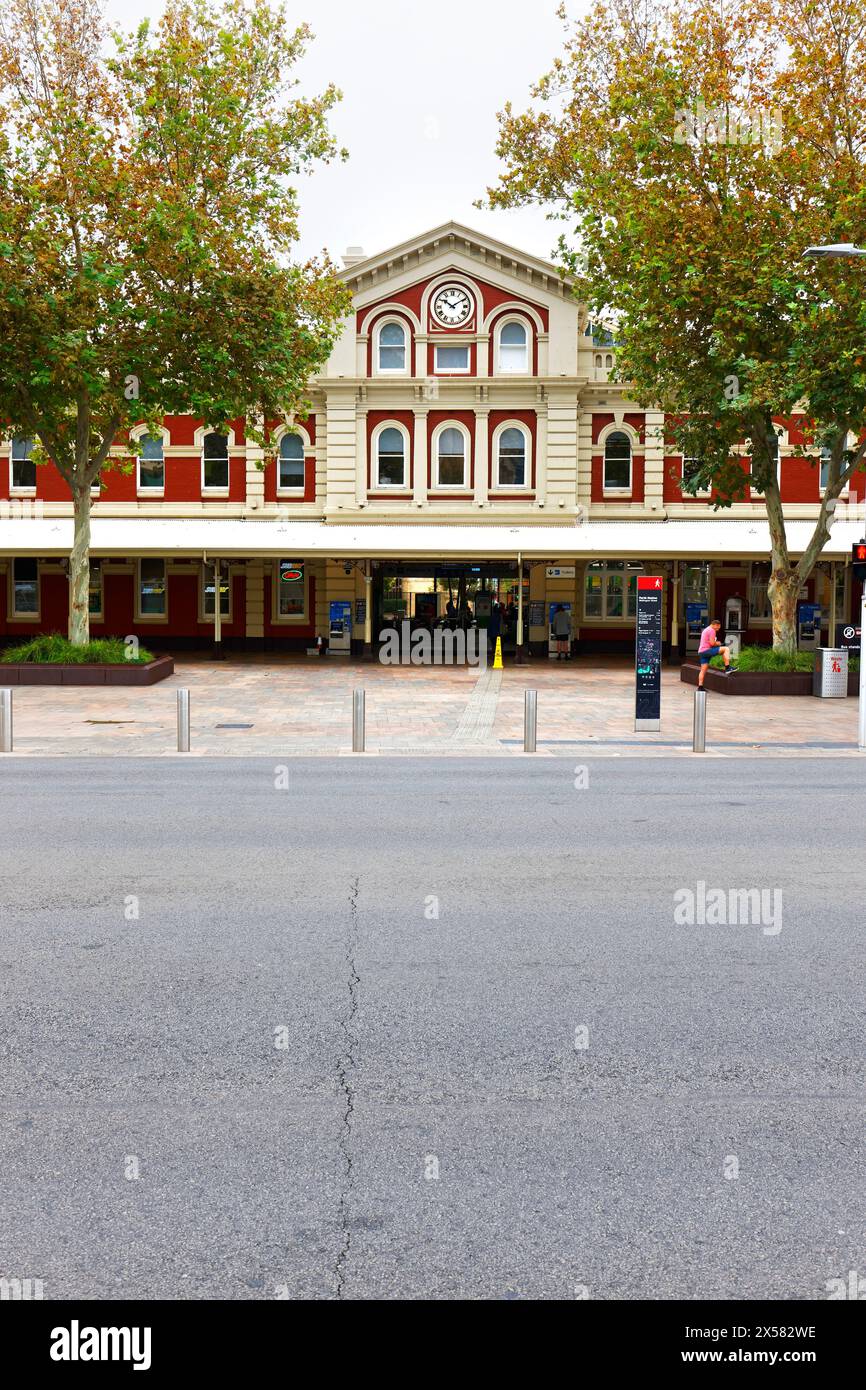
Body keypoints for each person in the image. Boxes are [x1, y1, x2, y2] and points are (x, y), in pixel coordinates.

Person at [697, 618, 735, 686]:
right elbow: (712, 643)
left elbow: (708, 642)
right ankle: (727, 668)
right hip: (707, 650)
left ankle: (700, 687)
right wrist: (718, 643)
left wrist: (716, 643)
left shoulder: (706, 629)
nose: (718, 629)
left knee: (703, 670)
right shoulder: (712, 630)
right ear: (715, 625)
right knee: (726, 649)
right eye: (718, 628)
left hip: (701, 652)